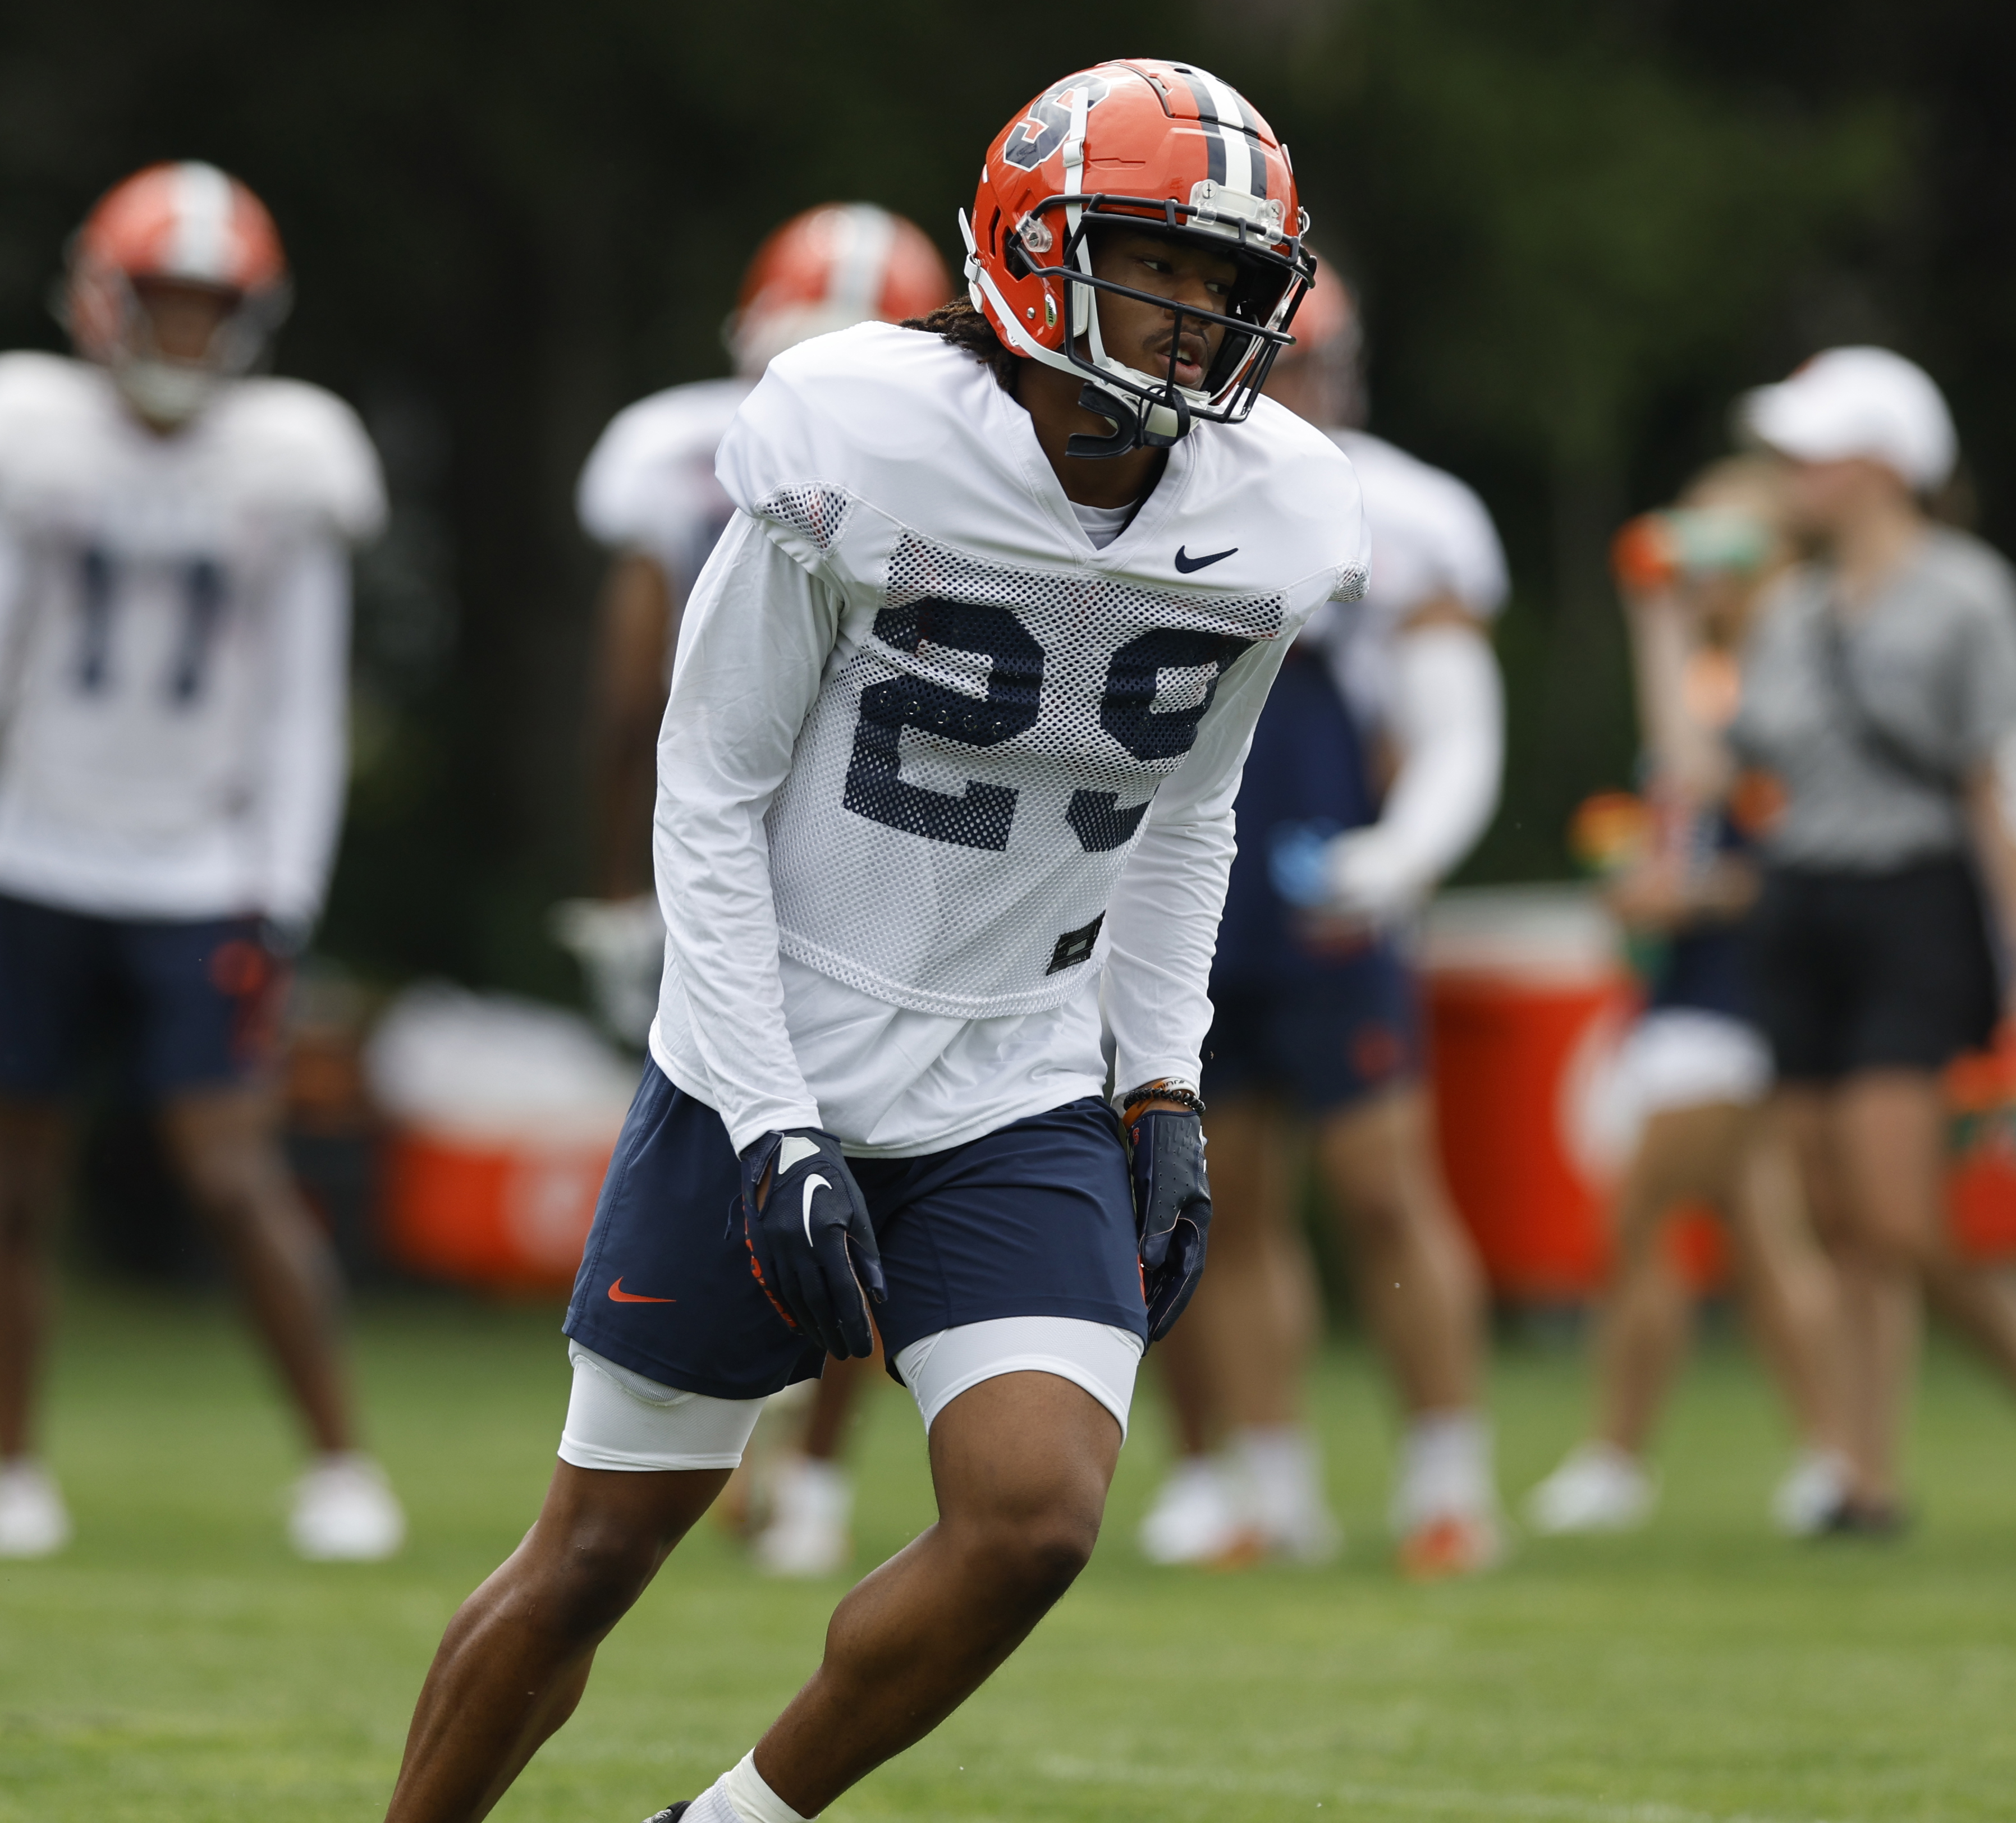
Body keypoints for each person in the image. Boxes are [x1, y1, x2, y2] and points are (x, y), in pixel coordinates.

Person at [381, 60, 1363, 1823]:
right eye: (1157, 259)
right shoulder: (858, 431)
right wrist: (770, 1117)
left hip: (1017, 1069)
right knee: (595, 1551)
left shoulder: (1271, 513)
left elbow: (1182, 817)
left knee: (1036, 1515)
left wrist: (1162, 1088)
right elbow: (708, 789)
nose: (1196, 312)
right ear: (1028, 249)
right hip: (774, 1040)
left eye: (1228, 280)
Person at [0, 163, 398, 1563]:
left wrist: (279, 898)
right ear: (101, 302)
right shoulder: (27, 427)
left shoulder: (292, 456)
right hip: (31, 849)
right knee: (14, 1178)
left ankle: (341, 1459)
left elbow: (299, 703)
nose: (178, 337)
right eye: (159, 307)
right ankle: (13, 1464)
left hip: (198, 870)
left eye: (201, 311)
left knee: (234, 1175)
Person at [562, 201, 951, 1579]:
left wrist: (624, 885)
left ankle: (763, 1455)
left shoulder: (696, 445)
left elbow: (630, 699)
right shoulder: (676, 454)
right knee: (836, 1140)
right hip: (779, 830)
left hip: (822, 832)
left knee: (812, 1136)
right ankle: (761, 1459)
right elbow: (635, 697)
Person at [1729, 346, 2016, 1541]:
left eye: (1813, 451)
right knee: (1846, 1221)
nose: (1791, 473)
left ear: (1881, 467)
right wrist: (1664, 629)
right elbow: (1727, 765)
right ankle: (1867, 1478)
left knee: (1903, 1216)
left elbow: (2000, 786)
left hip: (1913, 905)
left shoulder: (1968, 594)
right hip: (1804, 906)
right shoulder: (1789, 604)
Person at [1133, 264, 1508, 1577]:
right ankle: (1273, 1481)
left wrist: (1400, 857)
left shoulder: (1407, 515)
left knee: (1382, 1187)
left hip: (1321, 870)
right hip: (1188, 882)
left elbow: (1455, 722)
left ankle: (1450, 1479)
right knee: (1221, 1199)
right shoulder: (1156, 481)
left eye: (1316, 365)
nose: (1301, 391)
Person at [1523, 460, 1854, 1537]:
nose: (1699, 567)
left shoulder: (1785, 672)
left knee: (1640, 1224)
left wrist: (1652, 622)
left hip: (1743, 993)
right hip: (1697, 994)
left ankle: (1616, 1461)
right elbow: (1689, 805)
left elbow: (1762, 833)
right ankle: (1832, 1461)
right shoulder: (1730, 669)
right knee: (1764, 1239)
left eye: (1727, 546)